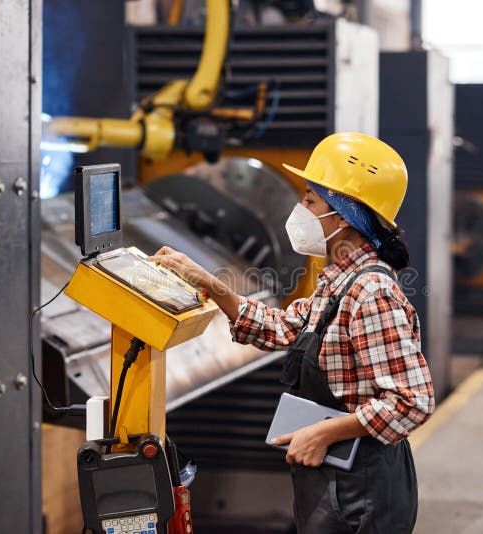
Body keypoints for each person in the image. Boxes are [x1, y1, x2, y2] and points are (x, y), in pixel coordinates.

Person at [151, 132, 434, 533]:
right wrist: (208, 283)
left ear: (342, 215)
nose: (300, 209)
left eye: (310, 199)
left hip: (361, 489)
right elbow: (283, 328)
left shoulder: (370, 292)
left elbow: (412, 401)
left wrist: (325, 432)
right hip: (337, 476)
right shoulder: (338, 281)